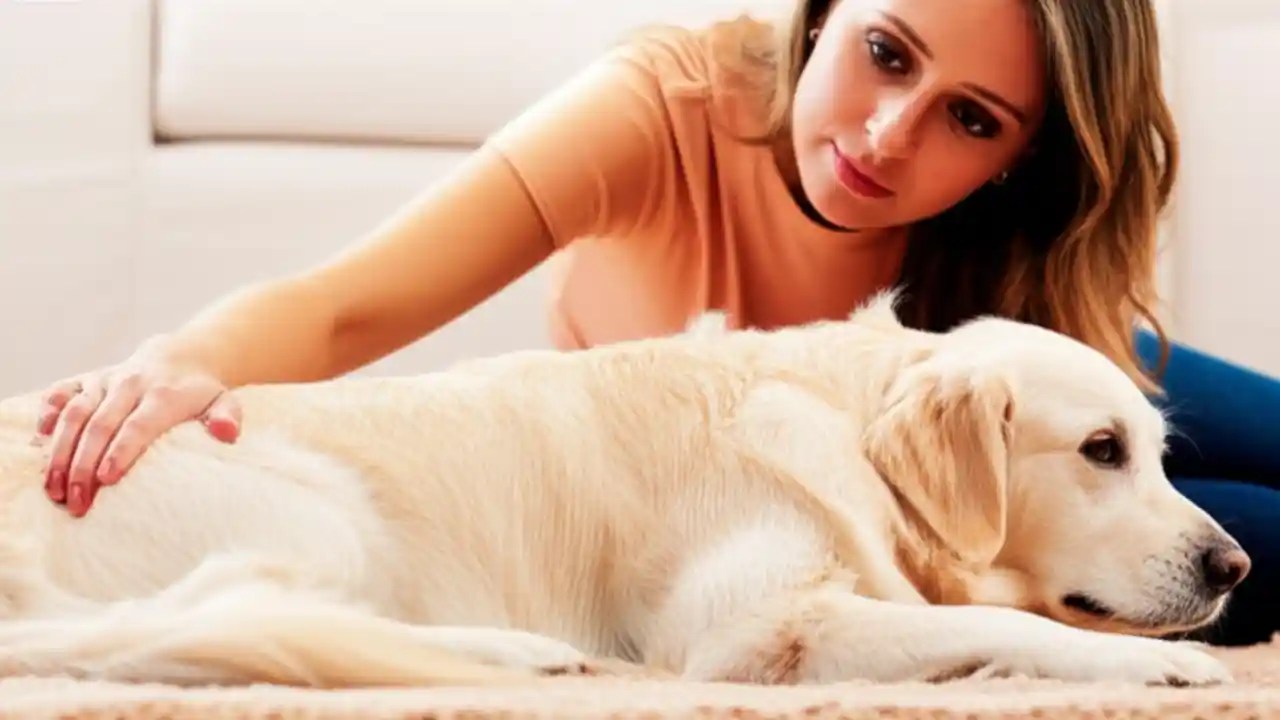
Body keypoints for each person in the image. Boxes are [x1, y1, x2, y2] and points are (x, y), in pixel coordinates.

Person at [30, 0, 1280, 645]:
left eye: (970, 120)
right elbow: (353, 300)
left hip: (1026, 411)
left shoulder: (1003, 258)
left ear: (1017, 157)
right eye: (886, 54)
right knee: (1261, 546)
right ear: (823, 10)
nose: (885, 135)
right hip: (820, 482)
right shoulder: (663, 107)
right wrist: (178, 364)